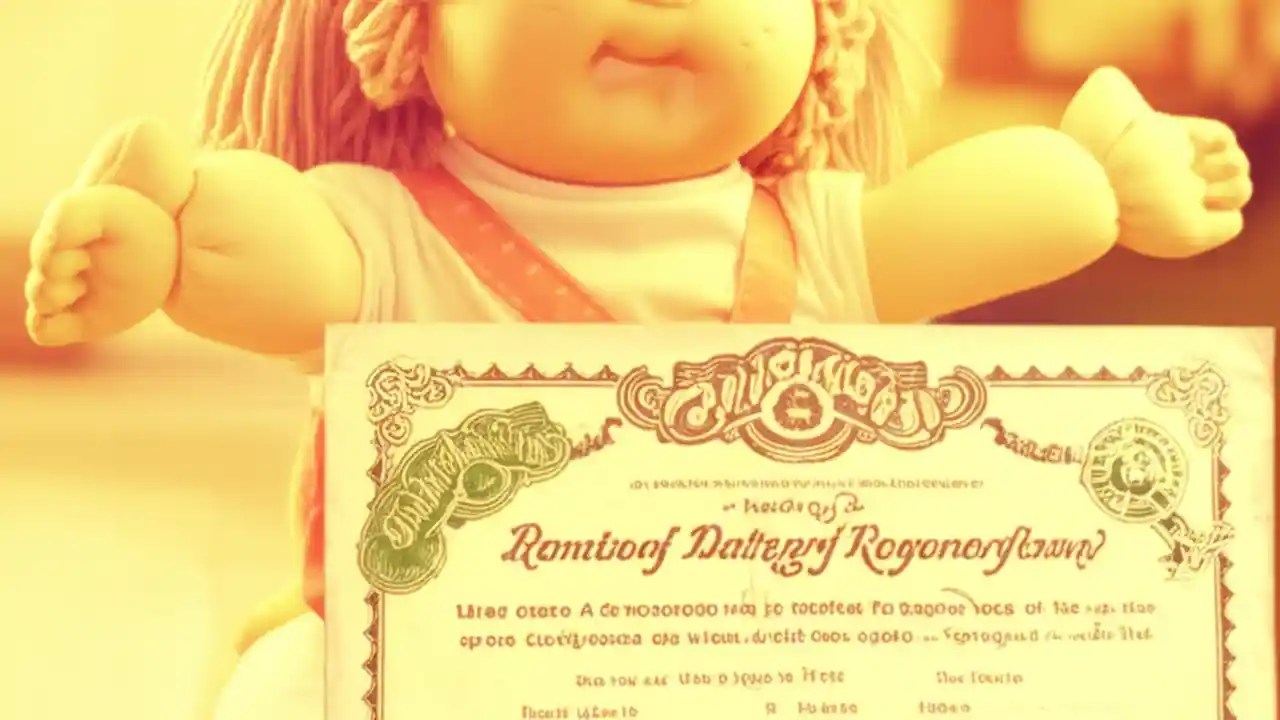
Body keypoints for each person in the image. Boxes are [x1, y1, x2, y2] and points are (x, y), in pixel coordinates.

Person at [22, 0, 1254, 717]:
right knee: (295, 683)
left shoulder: (813, 235)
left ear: (824, 33)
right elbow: (277, 250)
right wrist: (169, 248)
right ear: (408, 29)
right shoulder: (390, 228)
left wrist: (1097, 181)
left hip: (759, 667)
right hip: (454, 676)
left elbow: (955, 222)